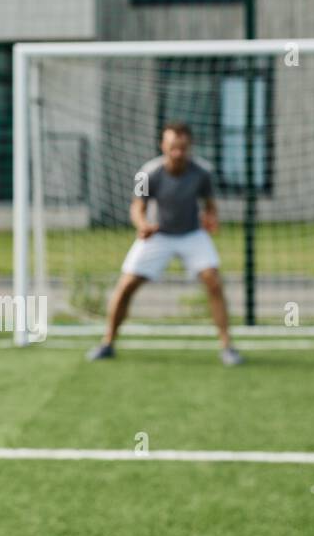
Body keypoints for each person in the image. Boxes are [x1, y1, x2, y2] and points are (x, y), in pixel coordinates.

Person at [88, 122, 242, 366]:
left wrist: (211, 218)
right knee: (126, 285)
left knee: (213, 280)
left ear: (189, 147)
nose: (177, 153)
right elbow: (137, 206)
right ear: (163, 146)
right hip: (157, 234)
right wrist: (142, 225)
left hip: (192, 234)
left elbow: (210, 206)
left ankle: (227, 347)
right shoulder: (147, 172)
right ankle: (107, 342)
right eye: (172, 147)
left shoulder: (202, 173)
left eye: (182, 148)